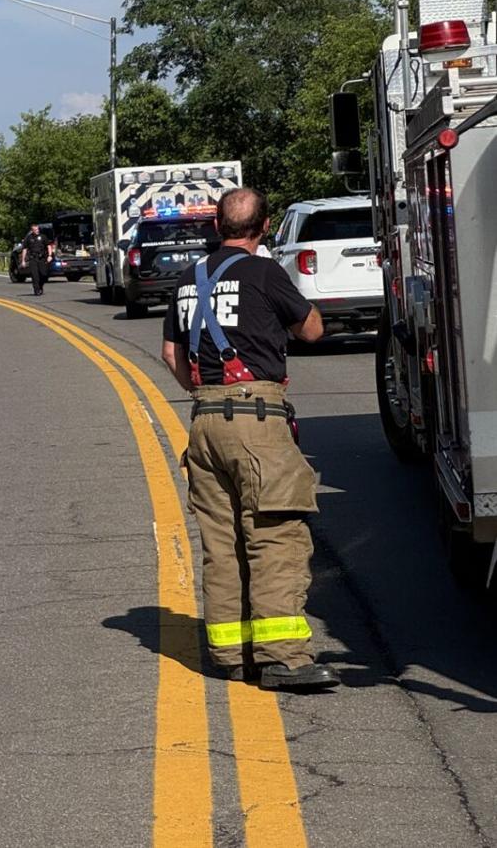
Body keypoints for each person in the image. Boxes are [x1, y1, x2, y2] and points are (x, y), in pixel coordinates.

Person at [161, 187, 337, 691]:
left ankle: (233, 654)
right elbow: (311, 332)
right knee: (275, 535)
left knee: (222, 542)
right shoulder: (265, 272)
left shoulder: (187, 279)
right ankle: (283, 657)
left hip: (204, 421)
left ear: (217, 226)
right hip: (255, 422)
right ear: (263, 229)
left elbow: (173, 353)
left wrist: (205, 393)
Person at [21, 224, 52, 296]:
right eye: (35, 230)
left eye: (38, 229)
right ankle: (37, 290)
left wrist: (50, 256)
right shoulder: (28, 238)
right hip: (33, 259)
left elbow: (48, 246)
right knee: (35, 276)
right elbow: (24, 249)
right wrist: (23, 260)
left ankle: (40, 286)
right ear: (32, 230)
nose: (37, 231)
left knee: (44, 274)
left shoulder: (43, 237)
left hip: (41, 258)